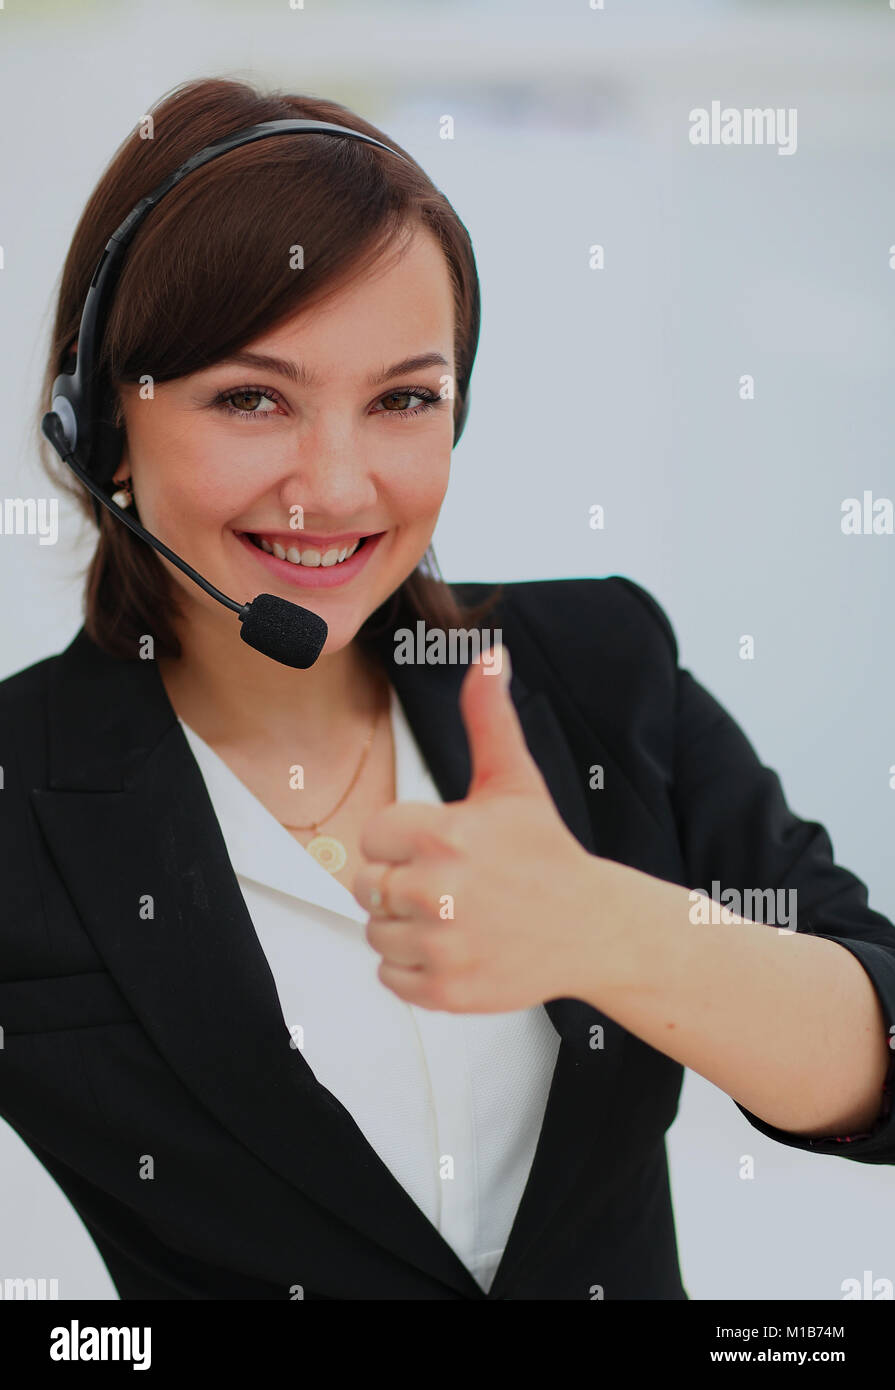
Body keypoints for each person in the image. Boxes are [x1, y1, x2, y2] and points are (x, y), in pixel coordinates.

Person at [1, 76, 894, 1302]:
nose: (338, 484)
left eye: (403, 399)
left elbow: (878, 1056)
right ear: (101, 421)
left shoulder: (596, 666)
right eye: (251, 398)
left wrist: (600, 924)